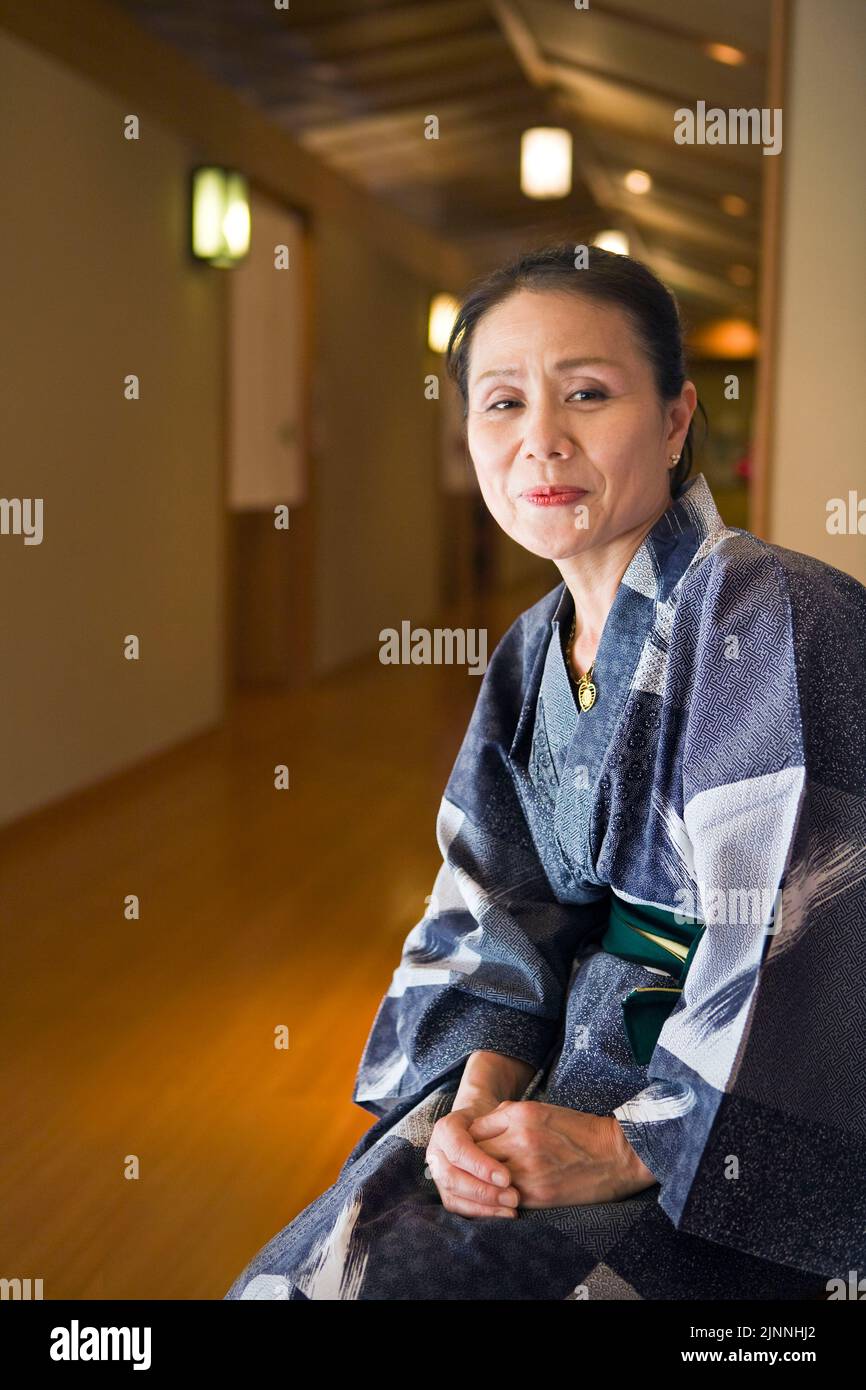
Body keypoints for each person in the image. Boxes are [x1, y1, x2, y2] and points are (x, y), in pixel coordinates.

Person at [224, 244, 866, 1301]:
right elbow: (494, 907)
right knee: (314, 1269)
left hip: (727, 1112)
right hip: (568, 1063)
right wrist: (472, 1106)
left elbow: (818, 934)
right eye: (501, 402)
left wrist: (628, 1148)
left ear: (672, 418)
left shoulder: (780, 615)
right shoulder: (533, 647)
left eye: (586, 393)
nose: (540, 441)